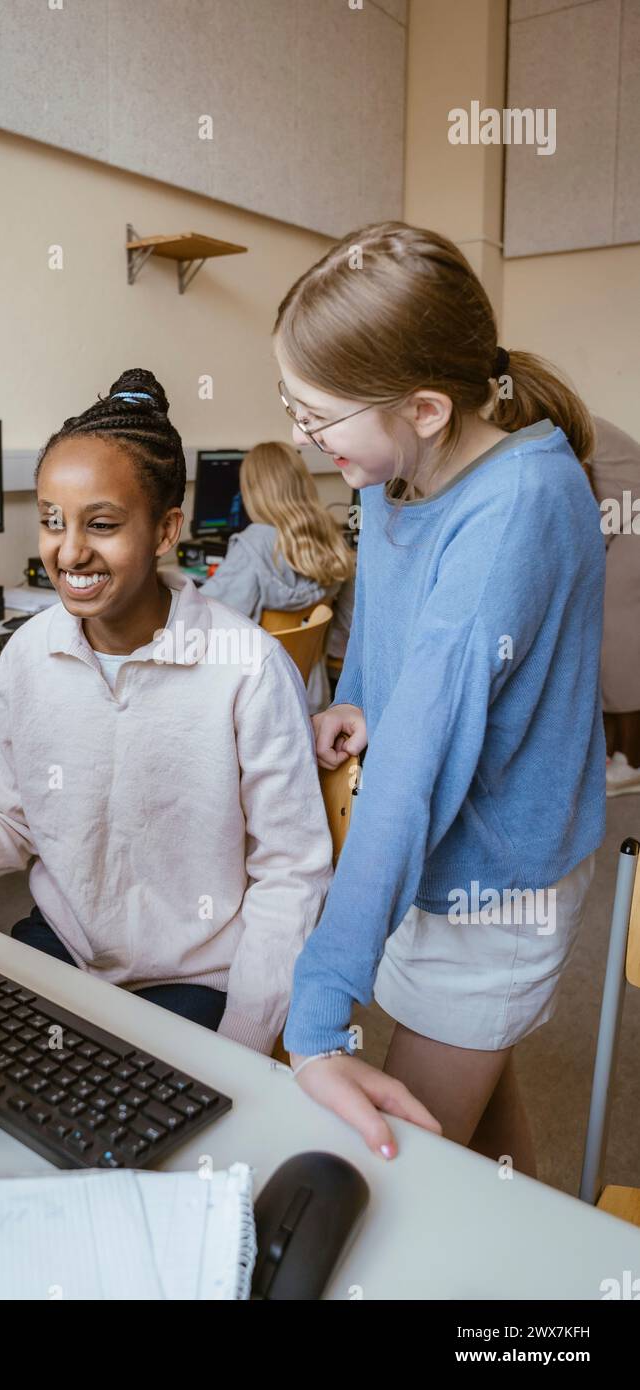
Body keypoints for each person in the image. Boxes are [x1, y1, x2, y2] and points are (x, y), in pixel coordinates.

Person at [274, 221, 605, 1173]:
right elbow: (384, 613)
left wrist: (317, 1015)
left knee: (396, 1175)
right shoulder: (392, 473)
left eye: (319, 417)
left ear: (423, 407)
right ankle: (545, 1301)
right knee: (486, 1162)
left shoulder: (516, 512)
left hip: (494, 883)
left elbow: (413, 776)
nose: (304, 437)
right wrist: (363, 697)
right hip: (440, 856)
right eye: (291, 408)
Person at [0, 368, 334, 1054]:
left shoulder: (248, 669)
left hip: (195, 976)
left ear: (167, 529)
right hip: (65, 947)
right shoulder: (27, 656)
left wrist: (244, 1043)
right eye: (52, 521)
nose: (69, 550)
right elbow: (16, 818)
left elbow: (290, 873)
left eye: (102, 525)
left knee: (143, 1136)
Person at [199, 440, 355, 712]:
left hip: (257, 703)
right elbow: (344, 635)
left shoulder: (252, 546)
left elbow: (205, 623)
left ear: (252, 492)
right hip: (310, 697)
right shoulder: (332, 542)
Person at [586, 415, 640, 796]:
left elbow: (583, 493)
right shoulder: (553, 412)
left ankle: (632, 760)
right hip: (623, 517)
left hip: (633, 520)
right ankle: (613, 751)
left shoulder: (548, 422)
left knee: (616, 632)